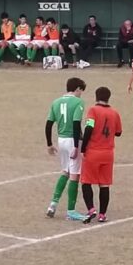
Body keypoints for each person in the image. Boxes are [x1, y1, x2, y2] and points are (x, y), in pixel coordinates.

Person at [79, 86, 122, 224]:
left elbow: (89, 128)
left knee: (86, 182)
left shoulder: (93, 111)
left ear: (96, 97)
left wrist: (83, 148)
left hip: (93, 152)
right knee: (104, 184)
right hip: (108, 153)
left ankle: (91, 209)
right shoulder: (114, 113)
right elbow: (118, 132)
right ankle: (102, 214)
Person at [46, 77, 86, 220]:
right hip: (72, 140)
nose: (81, 94)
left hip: (61, 140)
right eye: (81, 91)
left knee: (65, 172)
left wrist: (49, 144)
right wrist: (76, 146)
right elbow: (76, 124)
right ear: (77, 89)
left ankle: (53, 204)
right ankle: (71, 211)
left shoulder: (56, 102)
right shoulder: (78, 102)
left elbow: (48, 124)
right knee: (75, 174)